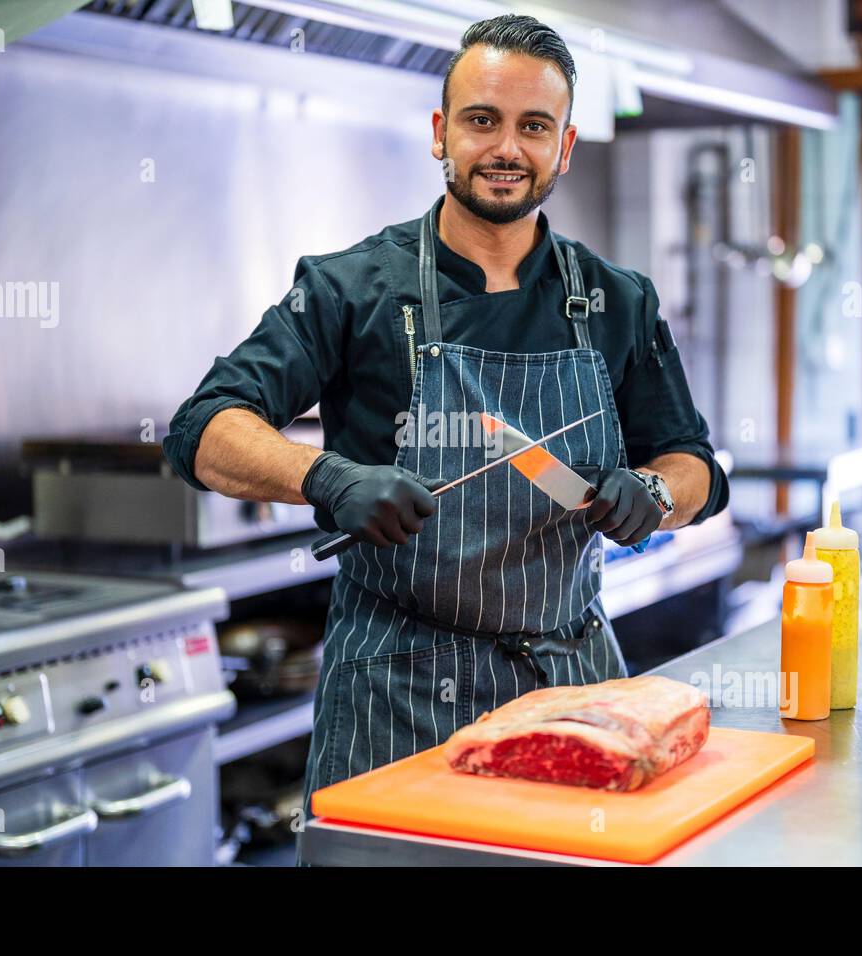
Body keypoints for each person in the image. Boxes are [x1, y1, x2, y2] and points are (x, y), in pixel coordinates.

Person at [162, 13, 729, 826]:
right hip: (397, 690)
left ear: (564, 147)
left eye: (534, 126)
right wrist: (325, 476)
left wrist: (653, 491)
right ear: (441, 133)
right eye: (481, 120)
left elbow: (694, 463)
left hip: (570, 696)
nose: (507, 148)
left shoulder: (617, 300)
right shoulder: (349, 288)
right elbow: (205, 427)